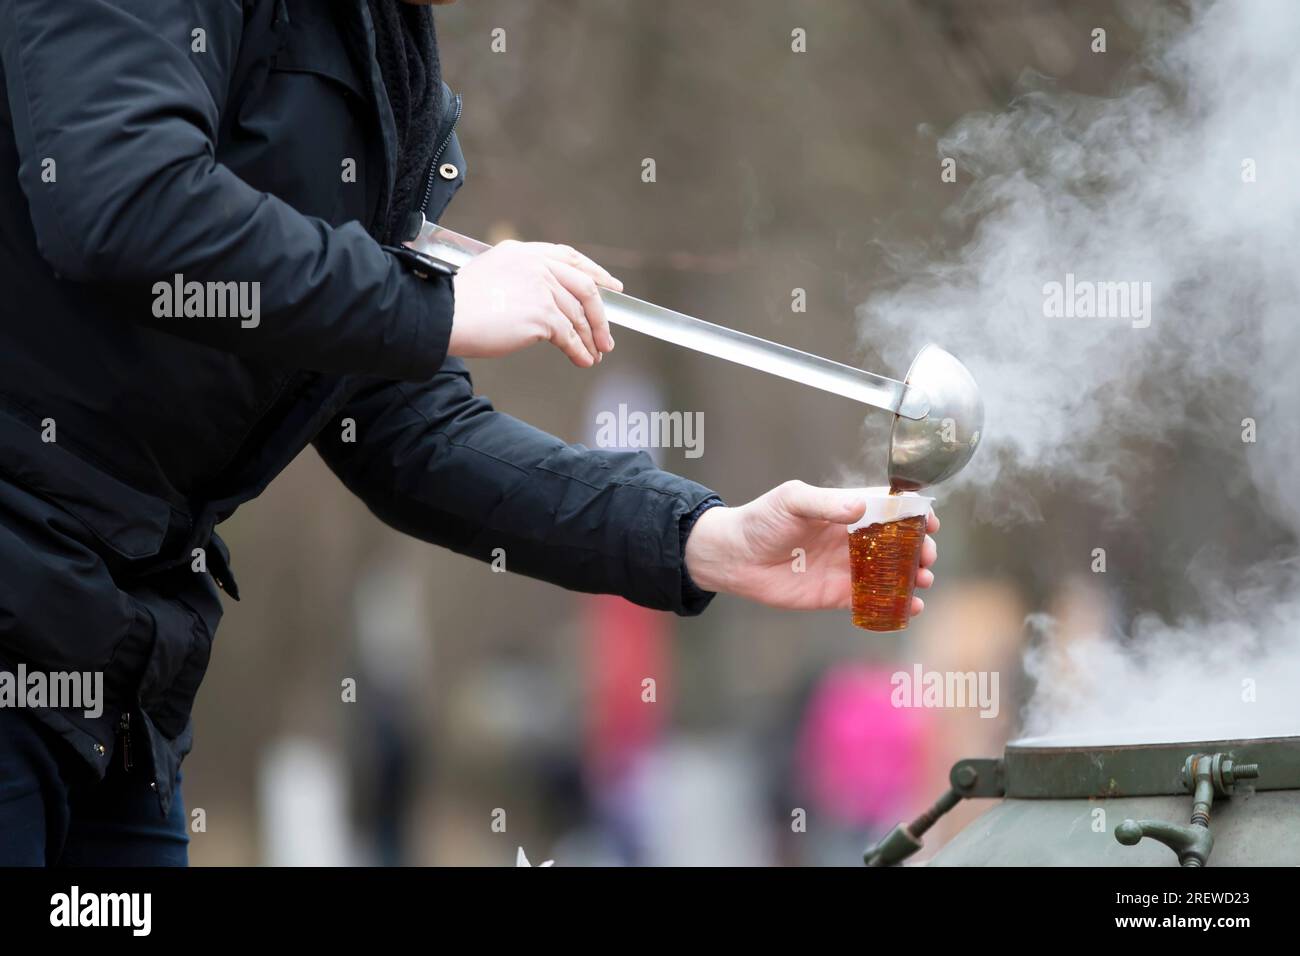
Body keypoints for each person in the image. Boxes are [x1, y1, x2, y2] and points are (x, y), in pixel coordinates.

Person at [0, 0, 938, 865]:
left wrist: (702, 540)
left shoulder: (394, 68)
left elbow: (405, 426)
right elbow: (123, 204)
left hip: (120, 680)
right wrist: (430, 308)